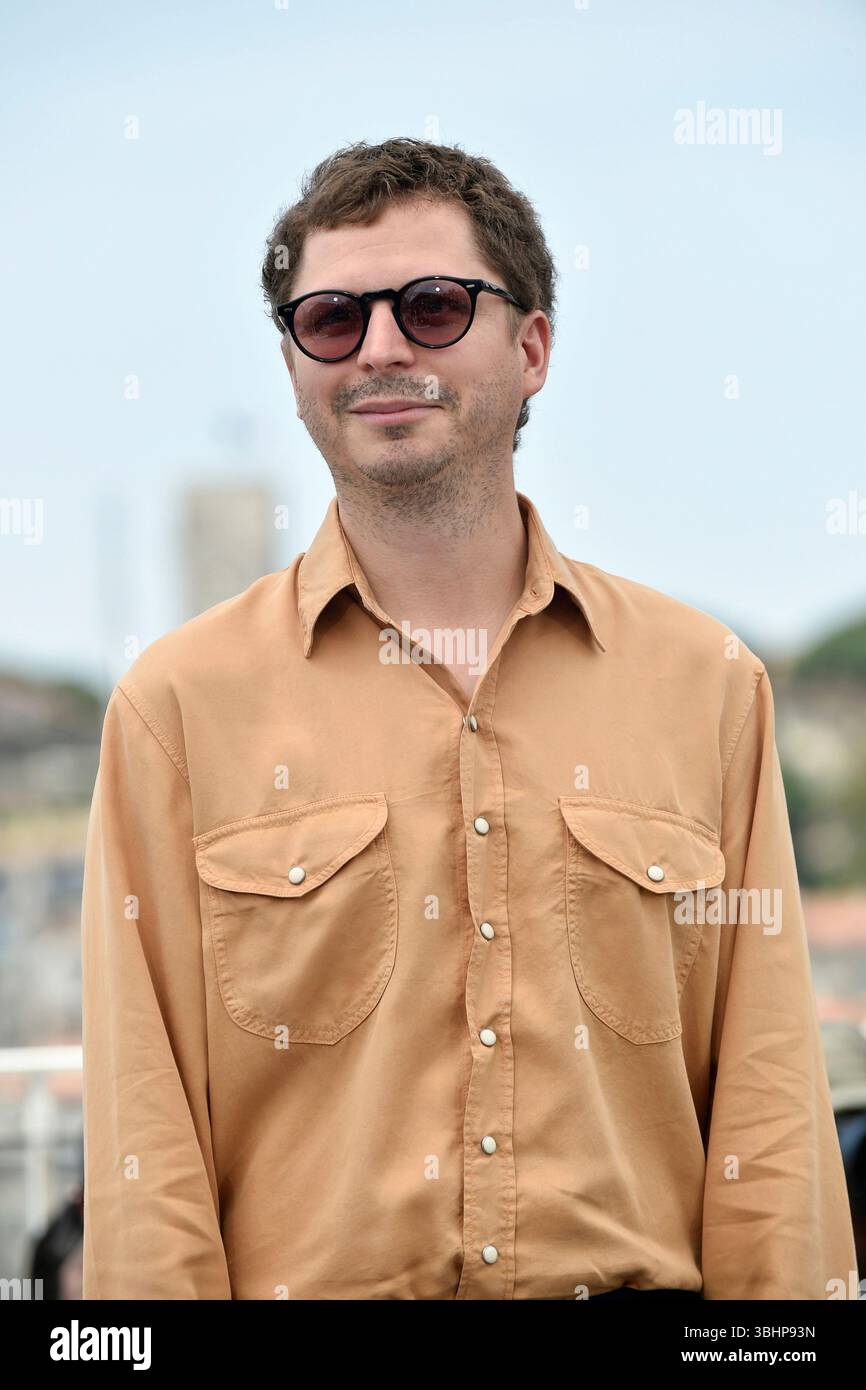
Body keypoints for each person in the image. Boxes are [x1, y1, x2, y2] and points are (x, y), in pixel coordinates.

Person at [80, 136, 858, 1300]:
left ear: (531, 345)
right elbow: (146, 1150)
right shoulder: (177, 708)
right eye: (330, 318)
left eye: (433, 306)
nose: (380, 347)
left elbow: (769, 1106)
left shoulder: (705, 684)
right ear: (294, 365)